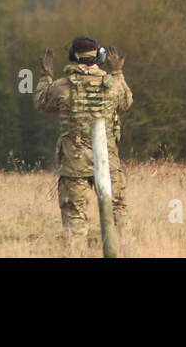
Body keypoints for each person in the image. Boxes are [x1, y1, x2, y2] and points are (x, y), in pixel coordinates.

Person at [34, 35, 132, 247]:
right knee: (117, 213)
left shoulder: (61, 86)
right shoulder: (112, 84)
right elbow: (126, 102)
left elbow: (41, 103)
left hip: (74, 163)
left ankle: (75, 252)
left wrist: (45, 75)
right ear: (99, 57)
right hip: (108, 161)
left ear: (73, 57)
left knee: (75, 219)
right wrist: (118, 72)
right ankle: (124, 251)